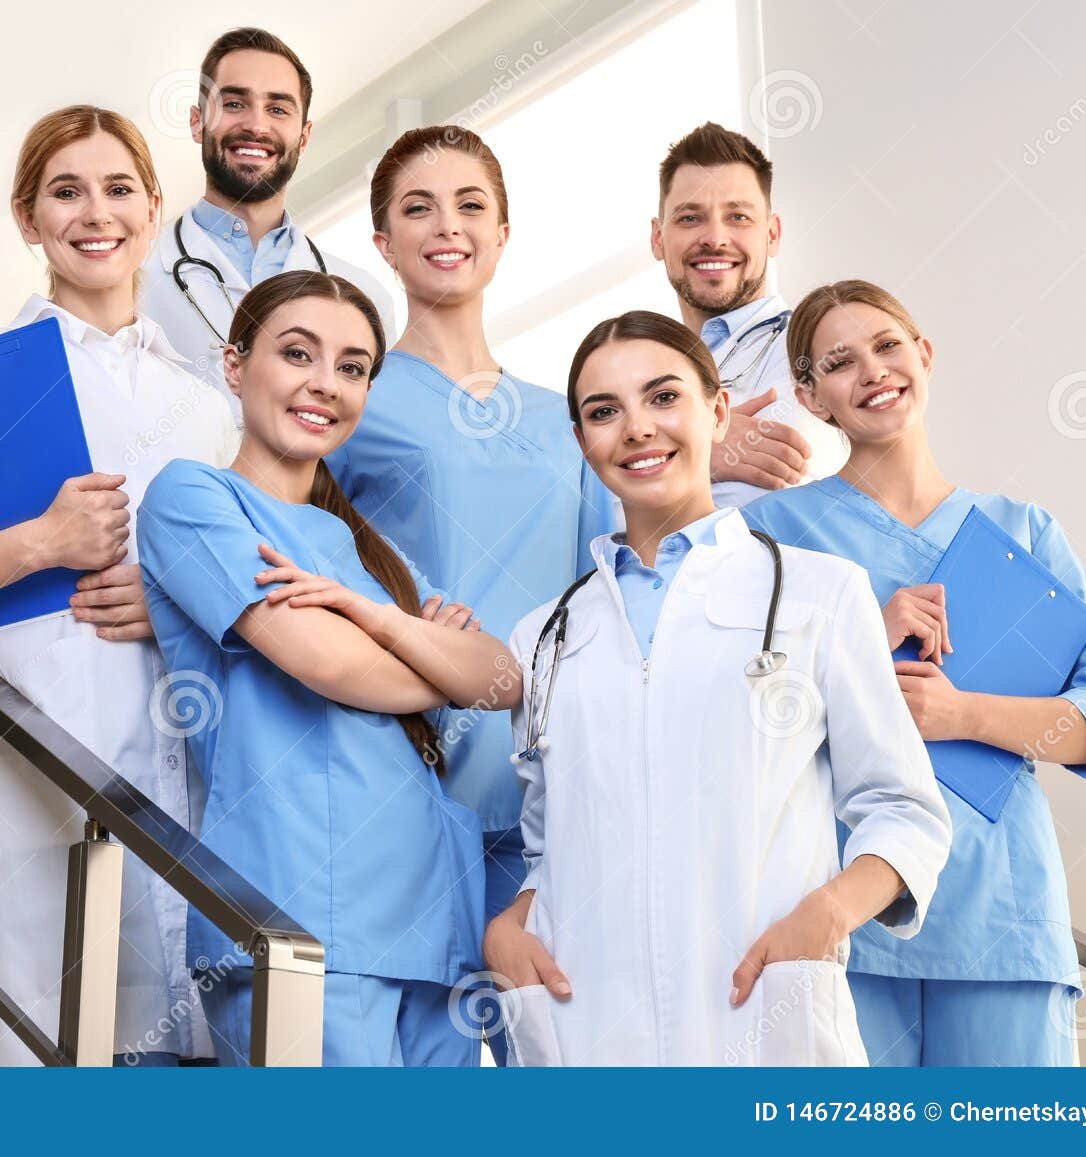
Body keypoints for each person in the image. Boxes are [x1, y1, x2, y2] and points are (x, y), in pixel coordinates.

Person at [0, 105, 238, 1066]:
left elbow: (254, 581)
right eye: (65, 191)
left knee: (192, 1057)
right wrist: (41, 540)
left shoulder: (208, 408)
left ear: (155, 211)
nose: (94, 213)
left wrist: (176, 602)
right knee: (43, 1054)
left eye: (118, 190)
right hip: (46, 764)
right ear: (29, 219)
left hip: (199, 767)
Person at [483, 310, 952, 1066]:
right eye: (605, 411)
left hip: (763, 1016)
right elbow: (553, 842)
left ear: (718, 409)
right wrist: (511, 925)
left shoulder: (818, 594)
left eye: (663, 397)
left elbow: (902, 810)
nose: (637, 428)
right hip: (591, 1022)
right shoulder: (544, 636)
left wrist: (827, 915)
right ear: (582, 441)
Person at [743, 280, 1086, 1065]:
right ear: (811, 398)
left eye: (888, 346)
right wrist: (860, 644)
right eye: (840, 362)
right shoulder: (770, 533)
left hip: (1002, 914)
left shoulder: (1022, 533)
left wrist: (966, 715)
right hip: (839, 911)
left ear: (923, 355)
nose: (873, 371)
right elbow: (726, 712)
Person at [138, 270, 518, 1066]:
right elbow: (325, 663)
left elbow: (501, 677)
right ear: (235, 365)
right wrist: (423, 650)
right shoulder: (192, 498)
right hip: (301, 916)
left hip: (433, 929)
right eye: (298, 353)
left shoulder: (372, 556)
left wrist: (376, 617)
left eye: (352, 367)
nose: (325, 383)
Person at [320, 125, 612, 1062]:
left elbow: (601, 589)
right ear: (383, 244)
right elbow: (297, 541)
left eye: (470, 205)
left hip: (548, 781)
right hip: (411, 771)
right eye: (418, 207)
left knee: (564, 1056)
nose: (446, 226)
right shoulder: (351, 402)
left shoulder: (566, 417)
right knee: (427, 1062)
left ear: (504, 229)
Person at [139, 26, 394, 419]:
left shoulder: (367, 296)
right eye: (235, 103)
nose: (256, 126)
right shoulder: (136, 279)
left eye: (278, 109)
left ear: (304, 136)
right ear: (196, 122)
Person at [650, 122, 846, 506]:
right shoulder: (644, 365)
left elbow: (769, 486)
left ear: (772, 235)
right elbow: (588, 502)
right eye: (690, 218)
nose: (715, 238)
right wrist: (701, 449)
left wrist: (669, 454)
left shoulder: (812, 346)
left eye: (738, 217)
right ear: (658, 238)